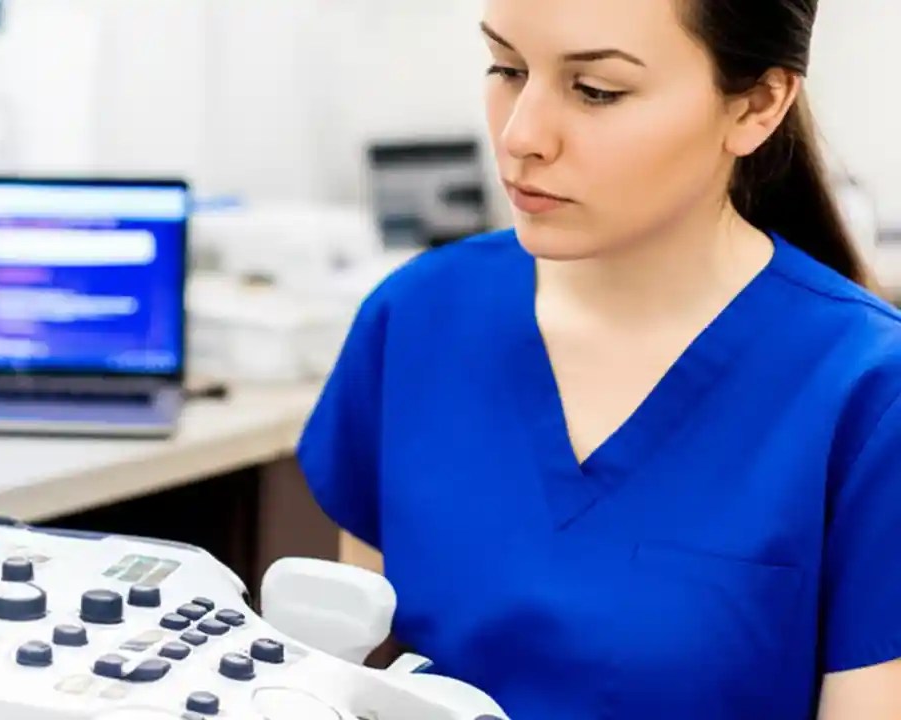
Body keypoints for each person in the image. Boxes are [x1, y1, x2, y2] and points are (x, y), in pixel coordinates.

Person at [296, 0, 901, 718]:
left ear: (757, 106)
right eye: (507, 69)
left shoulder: (866, 391)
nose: (521, 136)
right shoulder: (416, 318)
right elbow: (352, 675)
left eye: (596, 91)